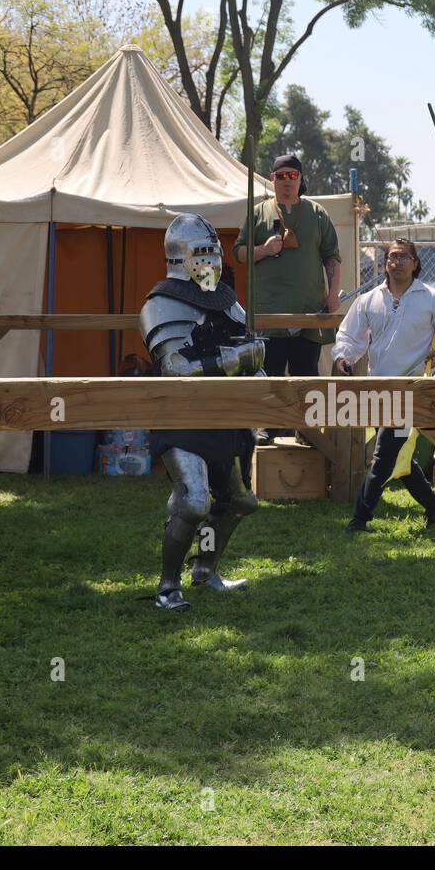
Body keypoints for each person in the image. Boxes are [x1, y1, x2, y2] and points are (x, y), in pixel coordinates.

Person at [139, 213, 265, 611]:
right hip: (181, 419)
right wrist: (237, 357)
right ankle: (167, 586)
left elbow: (248, 352)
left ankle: (205, 570)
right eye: (203, 252)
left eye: (215, 251)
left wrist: (255, 362)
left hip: (225, 416)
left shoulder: (225, 299)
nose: (211, 259)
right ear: (181, 256)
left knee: (238, 502)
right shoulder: (162, 302)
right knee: (194, 501)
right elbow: (176, 368)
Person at [334, 238, 435, 533]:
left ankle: (359, 519)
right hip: (380, 391)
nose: (398, 262)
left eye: (405, 257)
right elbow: (350, 337)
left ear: (415, 263)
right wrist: (343, 357)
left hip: (411, 392)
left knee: (383, 456)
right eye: (392, 257)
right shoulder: (368, 300)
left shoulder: (432, 299)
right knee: (399, 459)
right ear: (384, 264)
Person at [235, 154, 343, 442]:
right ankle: (266, 428)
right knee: (269, 375)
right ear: (271, 179)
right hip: (269, 314)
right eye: (280, 175)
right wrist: (265, 250)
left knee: (305, 375)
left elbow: (332, 256)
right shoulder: (257, 212)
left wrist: (333, 295)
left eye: (291, 176)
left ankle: (307, 432)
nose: (285, 181)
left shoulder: (317, 213)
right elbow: (240, 253)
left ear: (300, 179)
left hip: (308, 312)